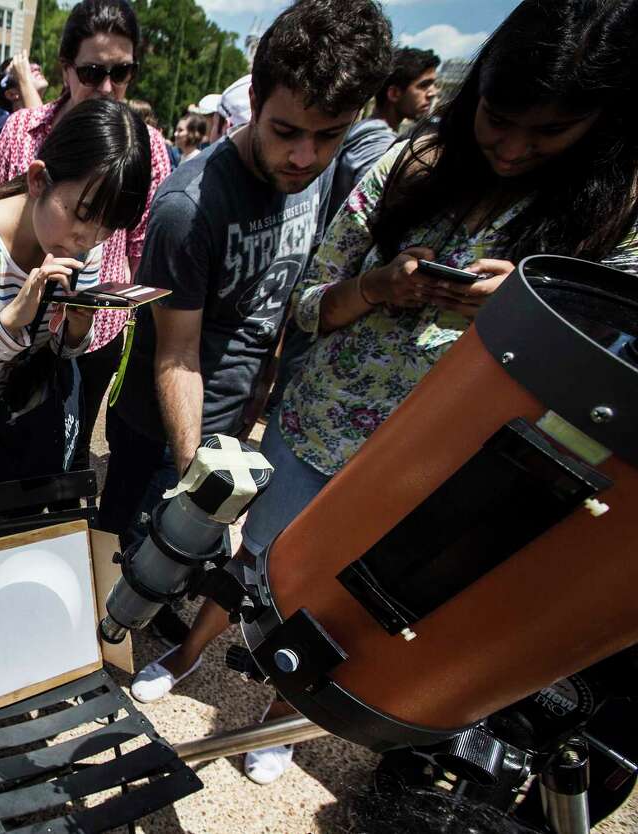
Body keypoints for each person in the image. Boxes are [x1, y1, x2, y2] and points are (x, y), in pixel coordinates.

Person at [131, 0, 638, 787]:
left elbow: (611, 375)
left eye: (546, 135)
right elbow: (304, 306)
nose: (510, 150)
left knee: (342, 609)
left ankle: (282, 724)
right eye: (499, 121)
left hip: (442, 464)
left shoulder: (613, 222)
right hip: (323, 421)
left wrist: (532, 317)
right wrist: (376, 288)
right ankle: (188, 651)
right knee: (259, 560)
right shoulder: (415, 165)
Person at [99, 0, 393, 780]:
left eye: (327, 136)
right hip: (170, 426)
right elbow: (179, 357)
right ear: (255, 100)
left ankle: (157, 649)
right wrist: (205, 491)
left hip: (238, 425)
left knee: (193, 573)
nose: (304, 157)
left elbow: (282, 312)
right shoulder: (190, 207)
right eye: (286, 131)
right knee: (136, 567)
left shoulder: (318, 180)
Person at [0, 97, 151, 627]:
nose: (89, 240)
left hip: (17, 428)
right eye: (84, 215)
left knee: (1, 542)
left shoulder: (77, 254)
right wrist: (13, 320)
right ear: (39, 178)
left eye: (108, 227)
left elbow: (60, 355)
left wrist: (75, 332)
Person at [0, 0, 173, 489]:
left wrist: (110, 300)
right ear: (66, 68)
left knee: (65, 451)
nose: (107, 88)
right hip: (10, 321)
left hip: (94, 334)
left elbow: (139, 247)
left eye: (121, 72)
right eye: (92, 72)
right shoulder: (23, 132)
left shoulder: (147, 147)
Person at [324, 46, 440, 227]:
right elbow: (368, 213)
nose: (433, 93)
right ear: (394, 93)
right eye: (423, 85)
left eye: (434, 85)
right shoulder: (381, 147)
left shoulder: (362, 130)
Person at [0, 52, 48, 156]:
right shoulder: (6, 130)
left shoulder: (56, 113)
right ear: (11, 94)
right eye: (21, 69)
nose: (36, 67)